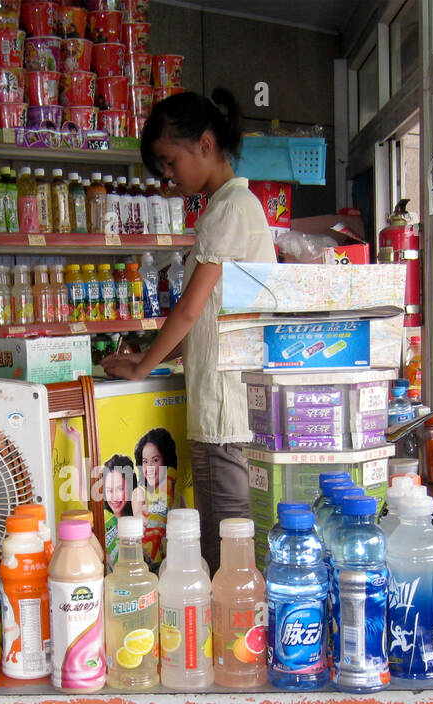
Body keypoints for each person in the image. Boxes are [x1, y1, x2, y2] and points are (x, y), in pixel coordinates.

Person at [103, 88, 277, 574]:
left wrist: (142, 364)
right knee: (228, 539)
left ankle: (230, 643)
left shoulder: (228, 211)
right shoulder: (233, 208)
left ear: (204, 143)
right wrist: (147, 355)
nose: (167, 176)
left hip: (225, 413)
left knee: (227, 550)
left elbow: (187, 309)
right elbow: (197, 316)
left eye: (169, 160)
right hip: (225, 407)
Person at [133, 428, 179, 570]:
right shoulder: (139, 494)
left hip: (174, 563)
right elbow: (137, 532)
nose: (149, 468)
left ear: (166, 460)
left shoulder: (176, 498)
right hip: (148, 565)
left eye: (155, 460)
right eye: (145, 462)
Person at [100, 454, 138, 566]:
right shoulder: (104, 517)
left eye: (120, 489)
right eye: (109, 490)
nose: (114, 497)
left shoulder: (137, 515)